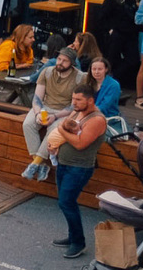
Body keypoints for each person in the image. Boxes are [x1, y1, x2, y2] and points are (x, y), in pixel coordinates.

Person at [46, 80, 110, 260]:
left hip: (79, 167)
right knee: (66, 202)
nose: (74, 103)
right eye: (73, 99)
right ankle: (73, 236)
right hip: (64, 162)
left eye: (79, 100)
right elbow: (68, 135)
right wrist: (56, 148)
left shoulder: (96, 119)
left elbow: (81, 144)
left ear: (90, 100)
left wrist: (60, 129)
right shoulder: (77, 112)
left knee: (66, 202)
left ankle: (79, 242)